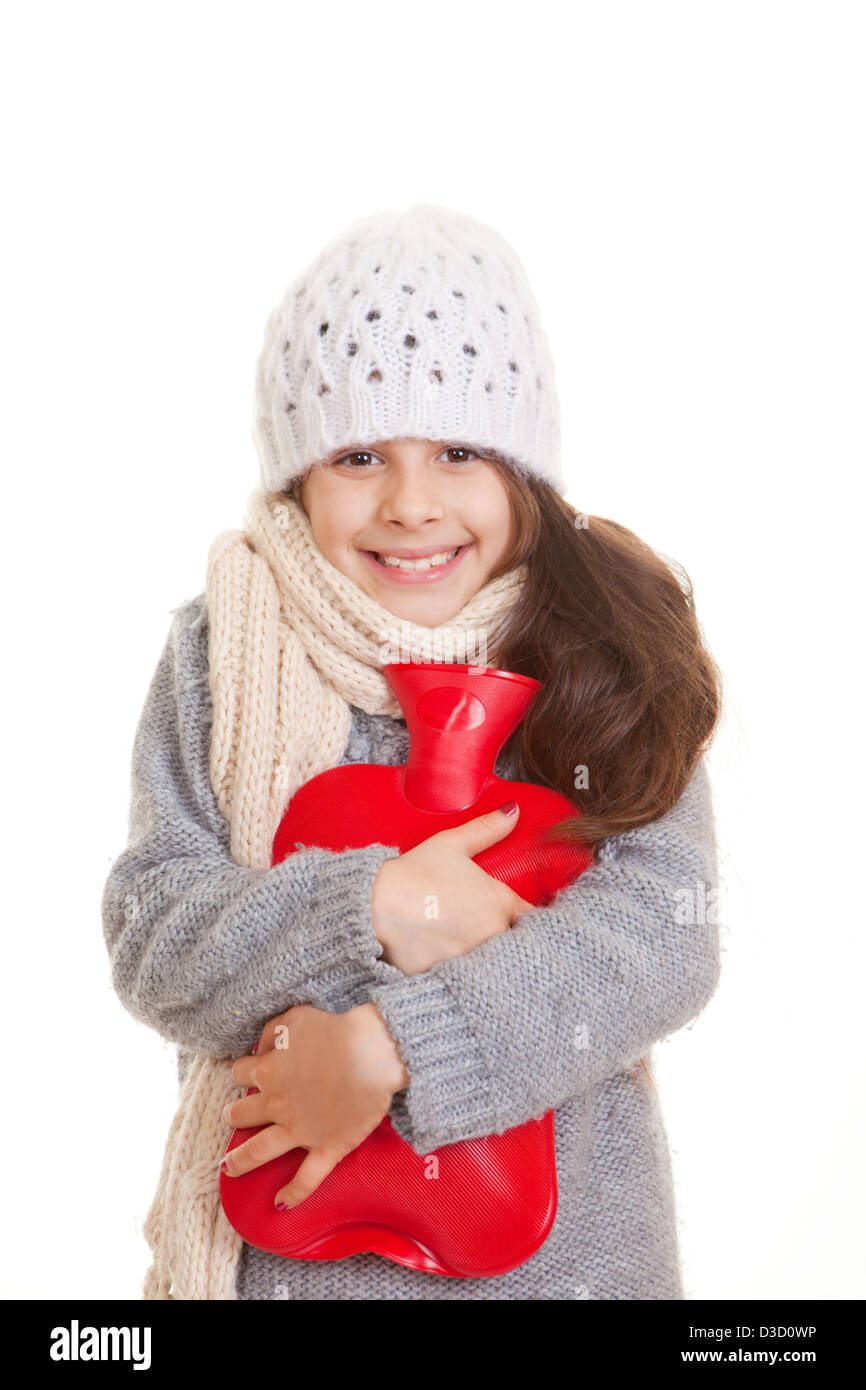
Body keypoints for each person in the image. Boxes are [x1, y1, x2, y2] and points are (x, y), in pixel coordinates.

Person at [101, 201, 724, 1300]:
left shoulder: (604, 653)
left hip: (568, 1269)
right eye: (356, 455)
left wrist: (393, 1047)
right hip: (295, 1269)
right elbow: (157, 935)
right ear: (295, 477)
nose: (410, 503)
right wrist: (377, 905)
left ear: (522, 470)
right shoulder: (224, 650)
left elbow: (657, 939)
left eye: (455, 450)